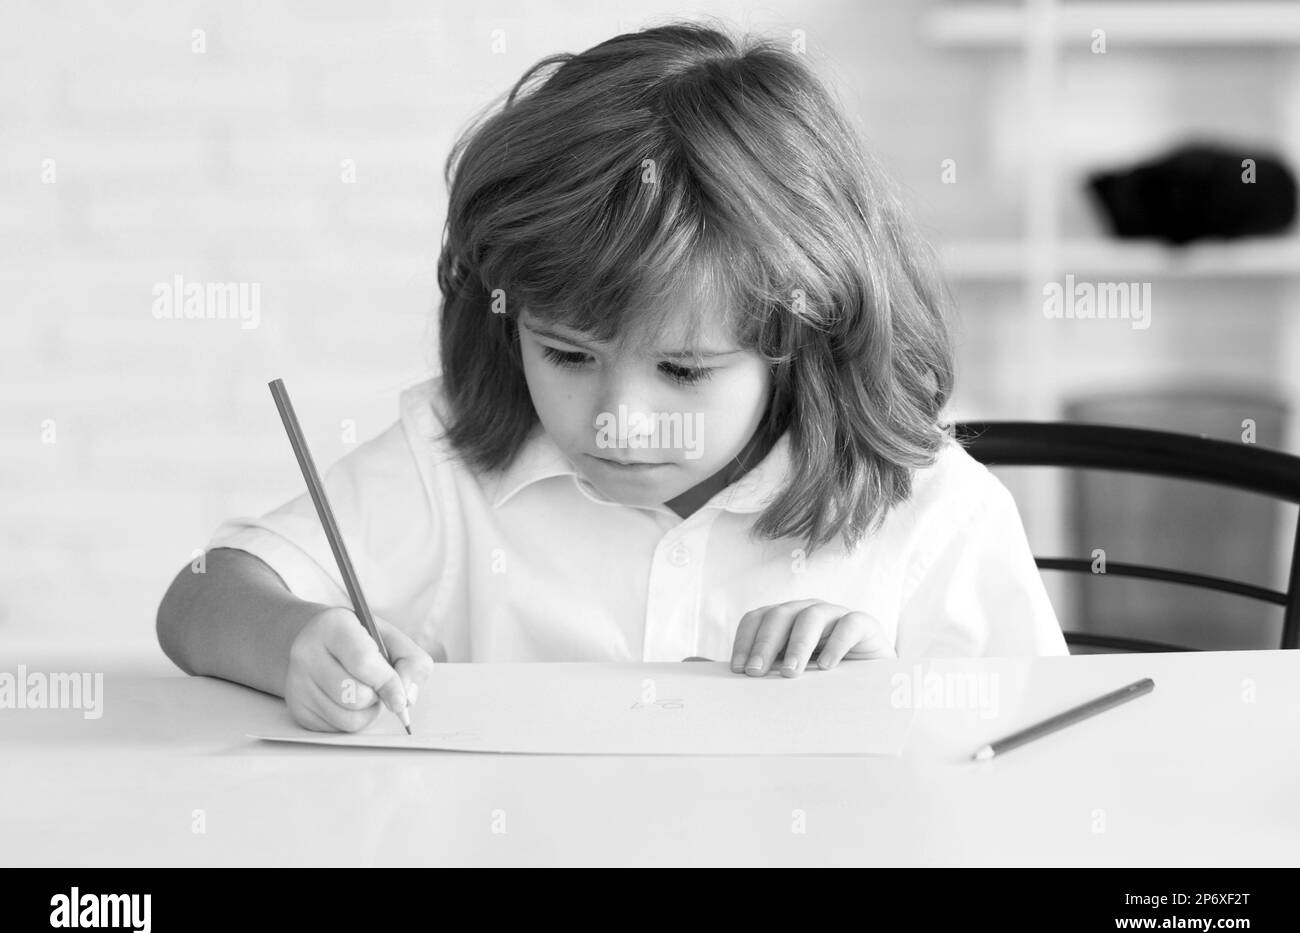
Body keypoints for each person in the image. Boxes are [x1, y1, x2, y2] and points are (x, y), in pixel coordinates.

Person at [157, 20, 1067, 734]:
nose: (621, 420)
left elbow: (1043, 755)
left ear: (805, 335)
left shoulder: (931, 512)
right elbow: (201, 596)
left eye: (683, 369)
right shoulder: (456, 464)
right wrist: (294, 643)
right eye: (566, 354)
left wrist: (894, 695)